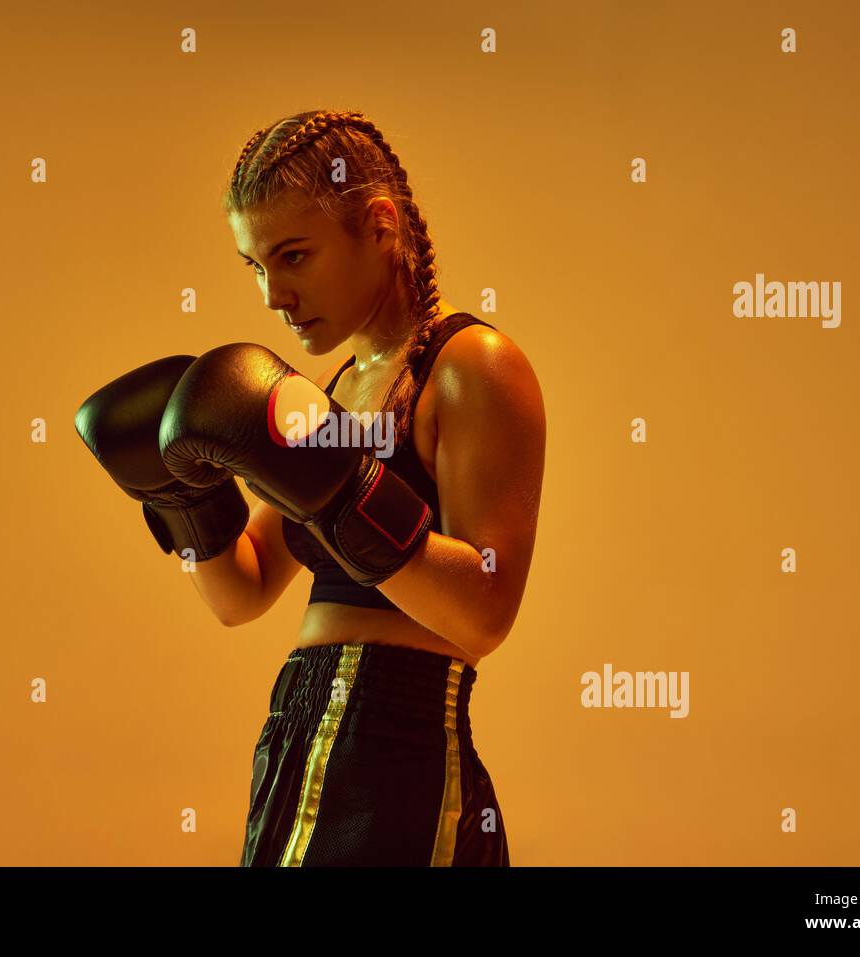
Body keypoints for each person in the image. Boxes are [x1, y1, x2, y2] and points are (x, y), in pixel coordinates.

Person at [78, 109, 545, 866]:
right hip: (292, 737)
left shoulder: (472, 365)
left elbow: (484, 613)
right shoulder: (328, 394)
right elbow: (243, 592)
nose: (273, 294)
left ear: (380, 224)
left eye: (293, 256)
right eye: (256, 266)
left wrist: (340, 494)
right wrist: (179, 497)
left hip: (400, 746)